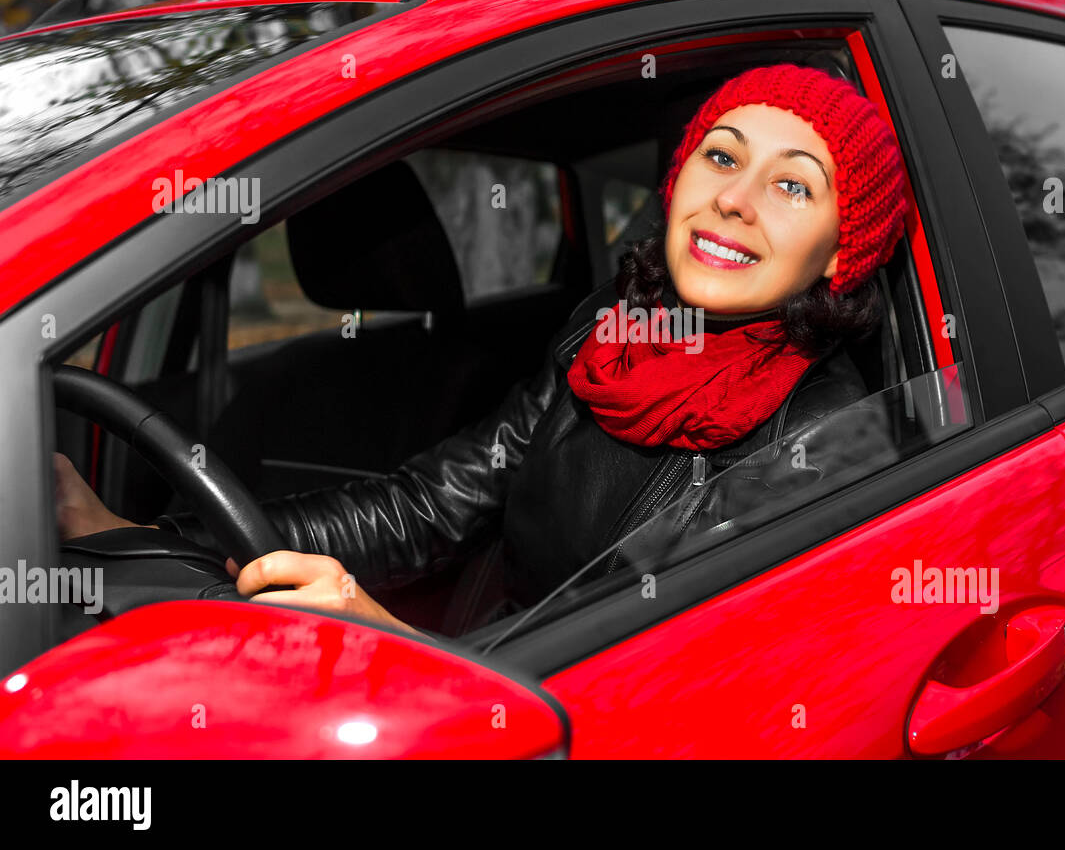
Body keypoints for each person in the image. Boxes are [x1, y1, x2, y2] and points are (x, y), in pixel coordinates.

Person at [55, 62, 910, 636]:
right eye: (720, 156)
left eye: (791, 184)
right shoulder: (611, 331)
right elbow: (428, 503)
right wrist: (162, 541)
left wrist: (391, 639)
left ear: (842, 251)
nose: (735, 199)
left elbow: (656, 694)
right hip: (481, 651)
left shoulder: (826, 442)